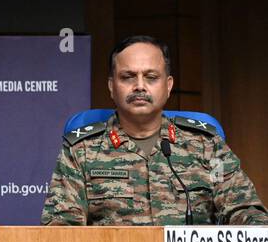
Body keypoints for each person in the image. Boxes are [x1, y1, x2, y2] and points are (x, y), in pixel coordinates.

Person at [42, 35, 268, 225]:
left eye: (151, 77)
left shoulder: (206, 145)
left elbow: (245, 212)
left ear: (168, 86)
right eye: (128, 77)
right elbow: (61, 229)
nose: (139, 86)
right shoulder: (81, 150)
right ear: (112, 86)